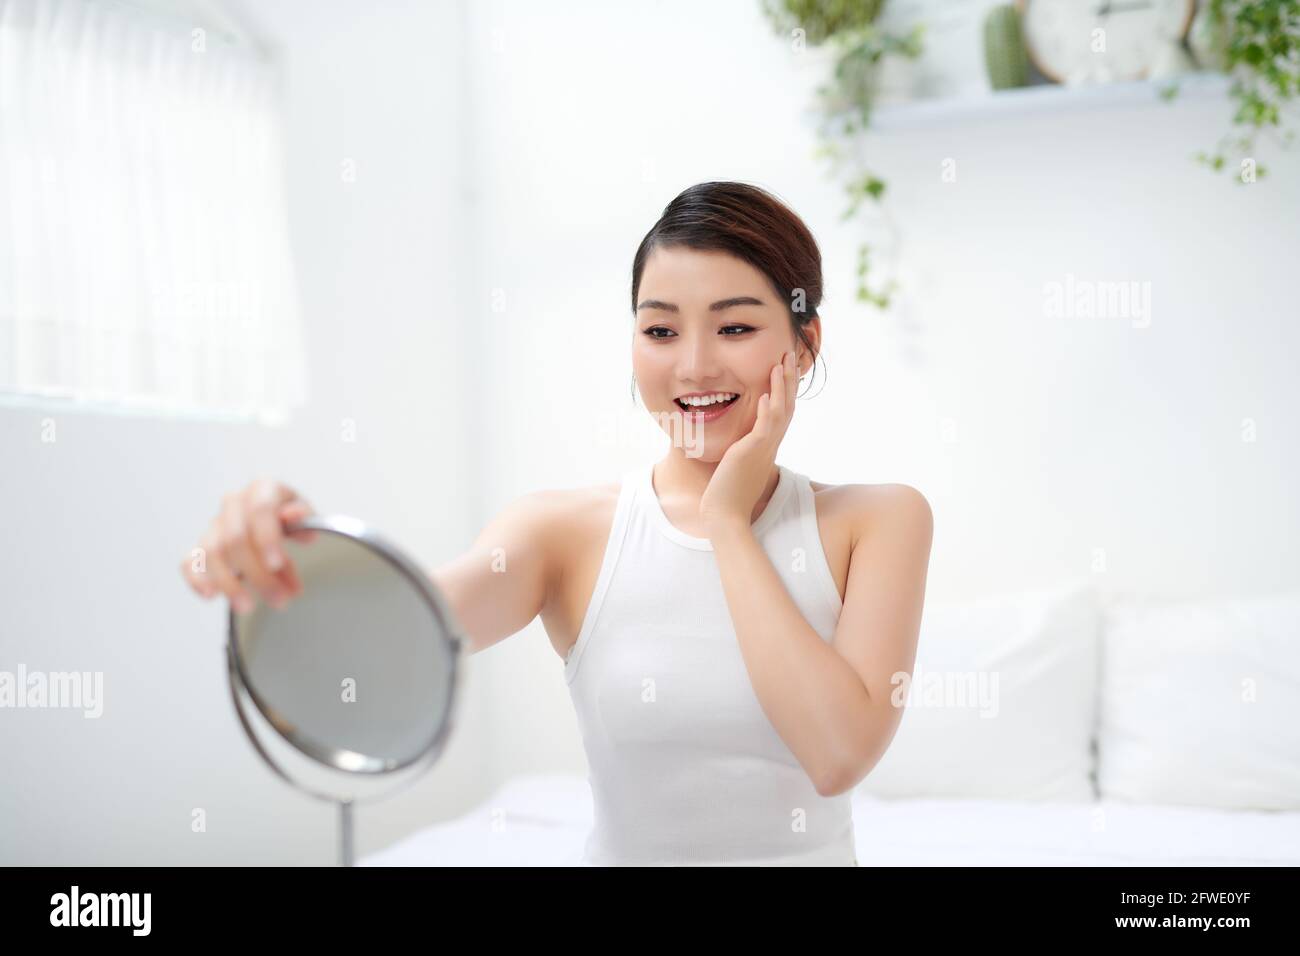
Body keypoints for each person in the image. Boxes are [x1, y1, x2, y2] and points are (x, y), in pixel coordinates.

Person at [179, 180, 933, 866]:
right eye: (661, 332)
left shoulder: (877, 521)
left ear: (804, 346)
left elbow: (837, 754)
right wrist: (271, 554)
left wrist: (729, 523)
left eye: (734, 329)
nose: (695, 367)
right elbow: (388, 640)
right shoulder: (561, 534)